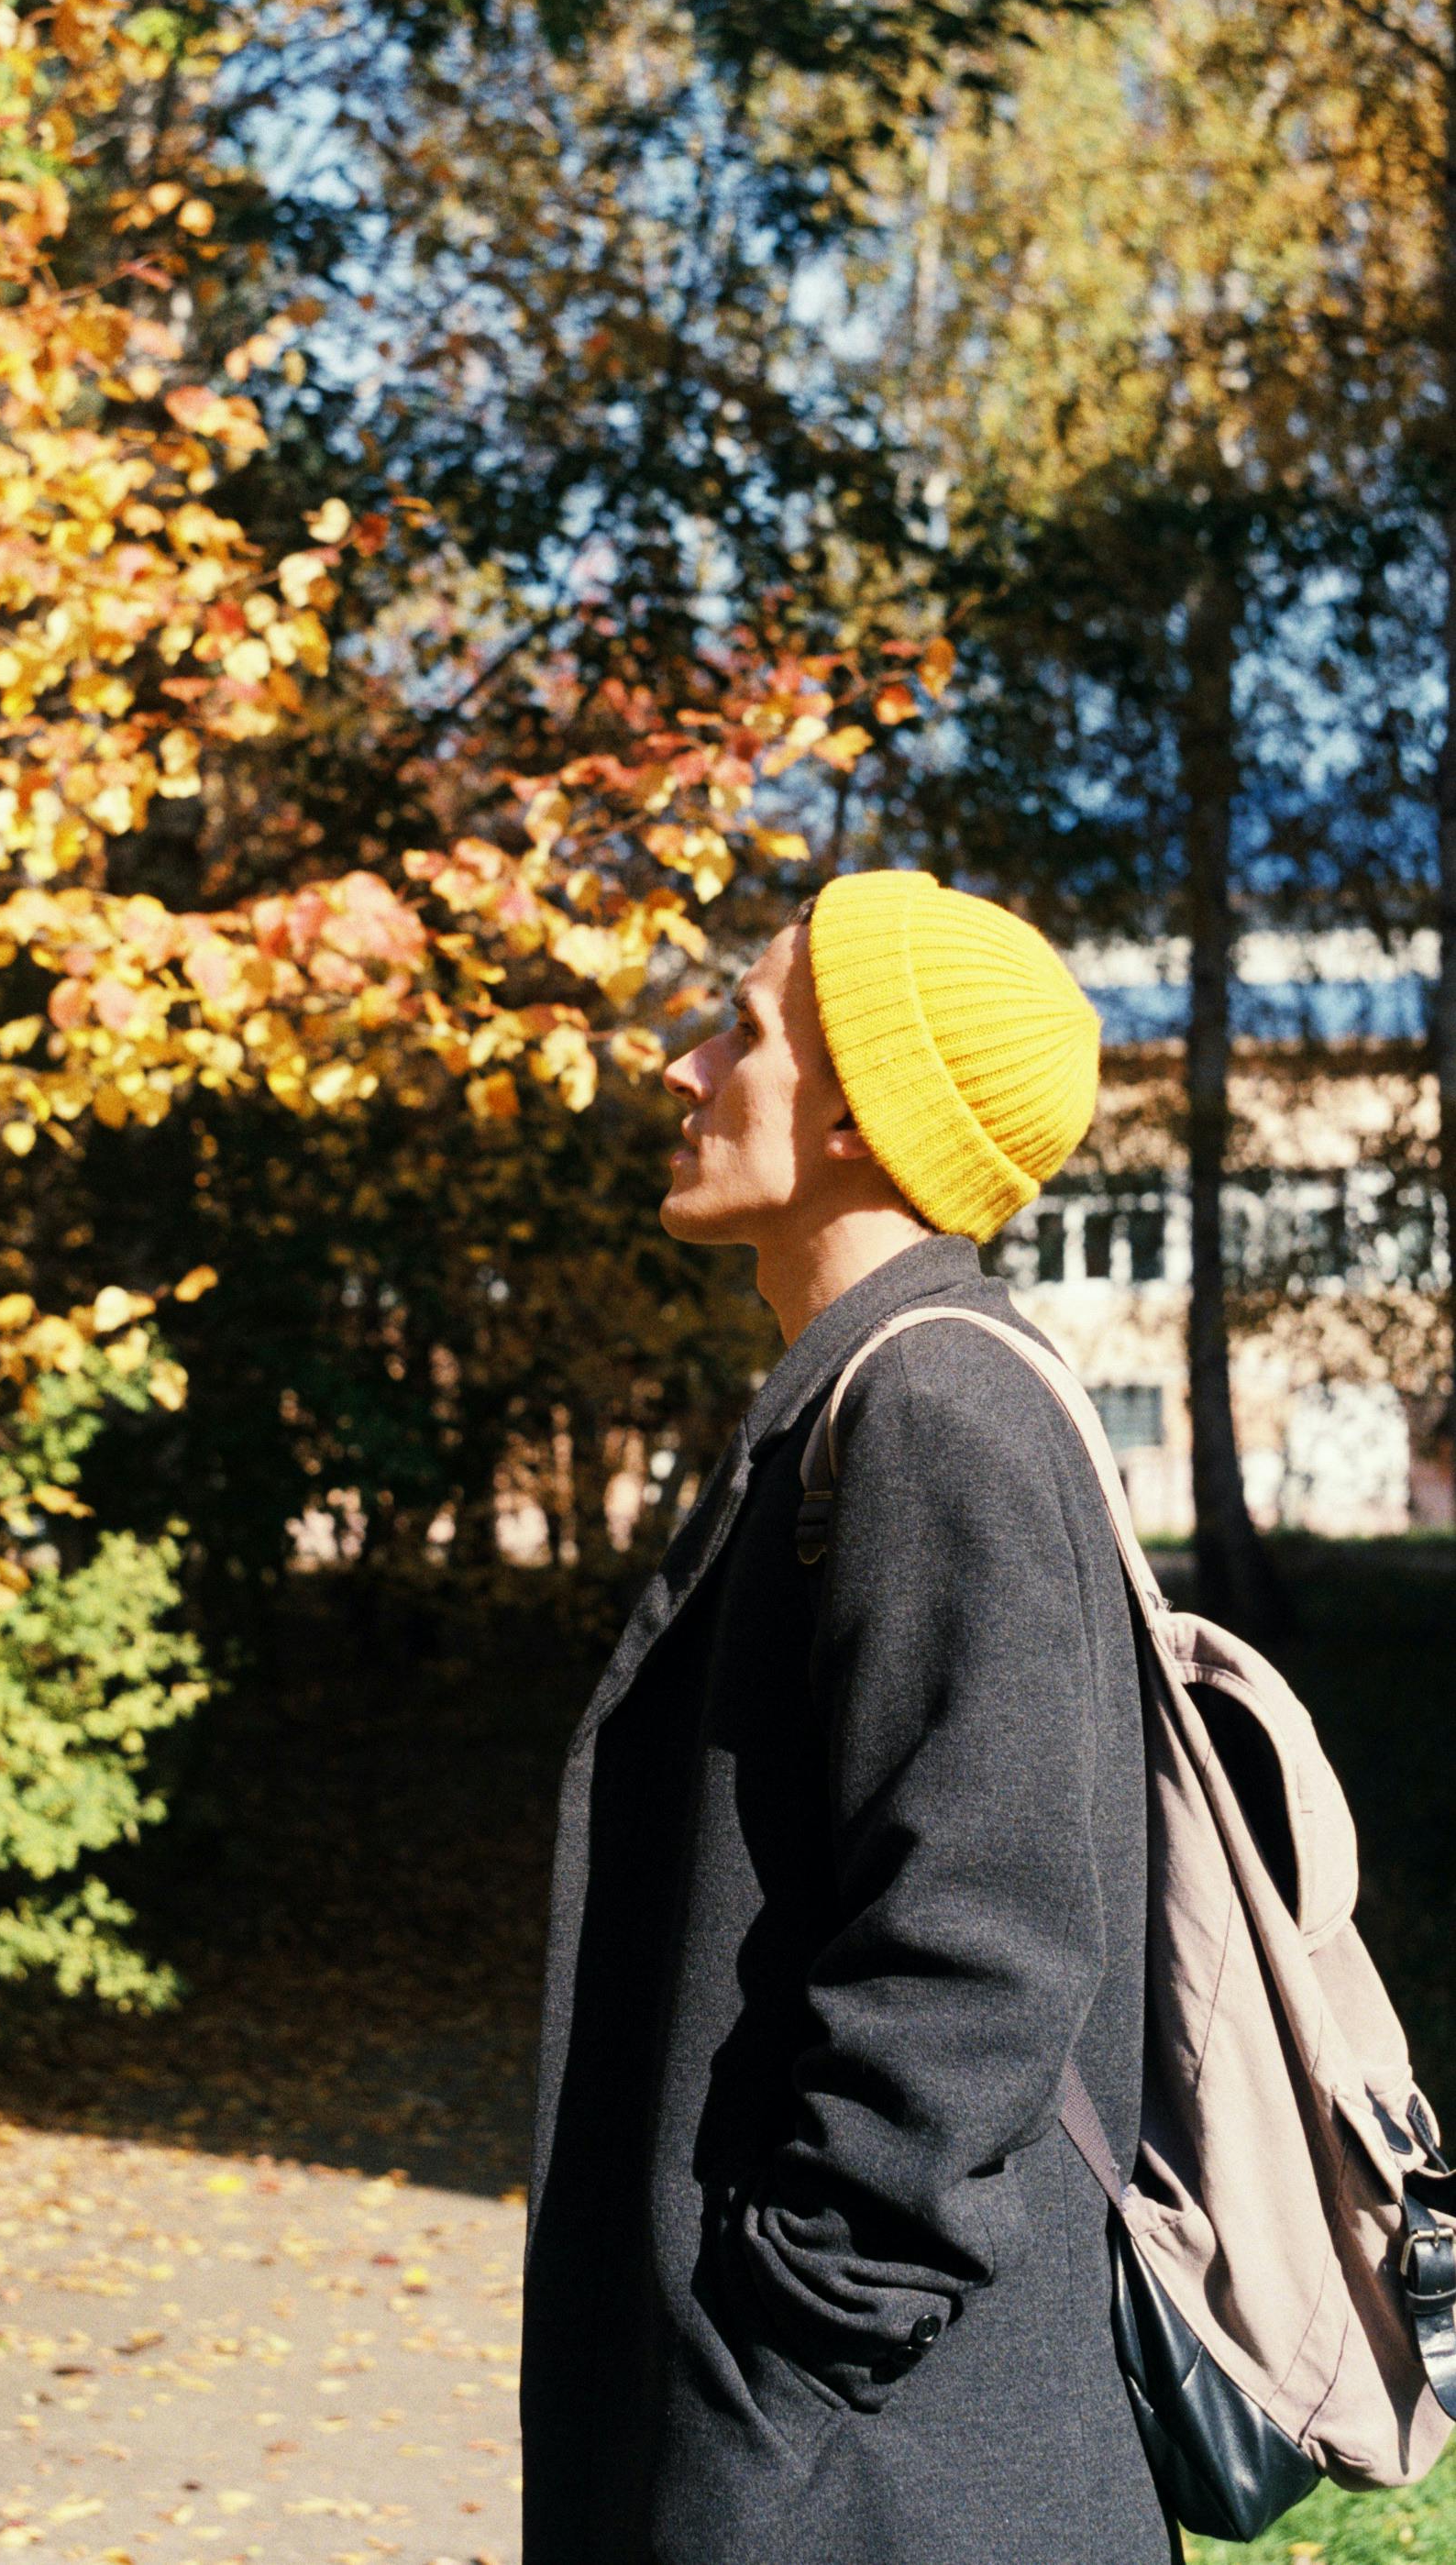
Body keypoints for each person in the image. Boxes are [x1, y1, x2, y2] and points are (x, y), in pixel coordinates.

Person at [519, 868, 1176, 2565]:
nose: (680, 1069)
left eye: (735, 1031)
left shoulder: (934, 1410)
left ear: (861, 1122)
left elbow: (984, 1945)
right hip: (863, 2438)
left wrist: (787, 2348)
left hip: (881, 2463)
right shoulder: (876, 1392)